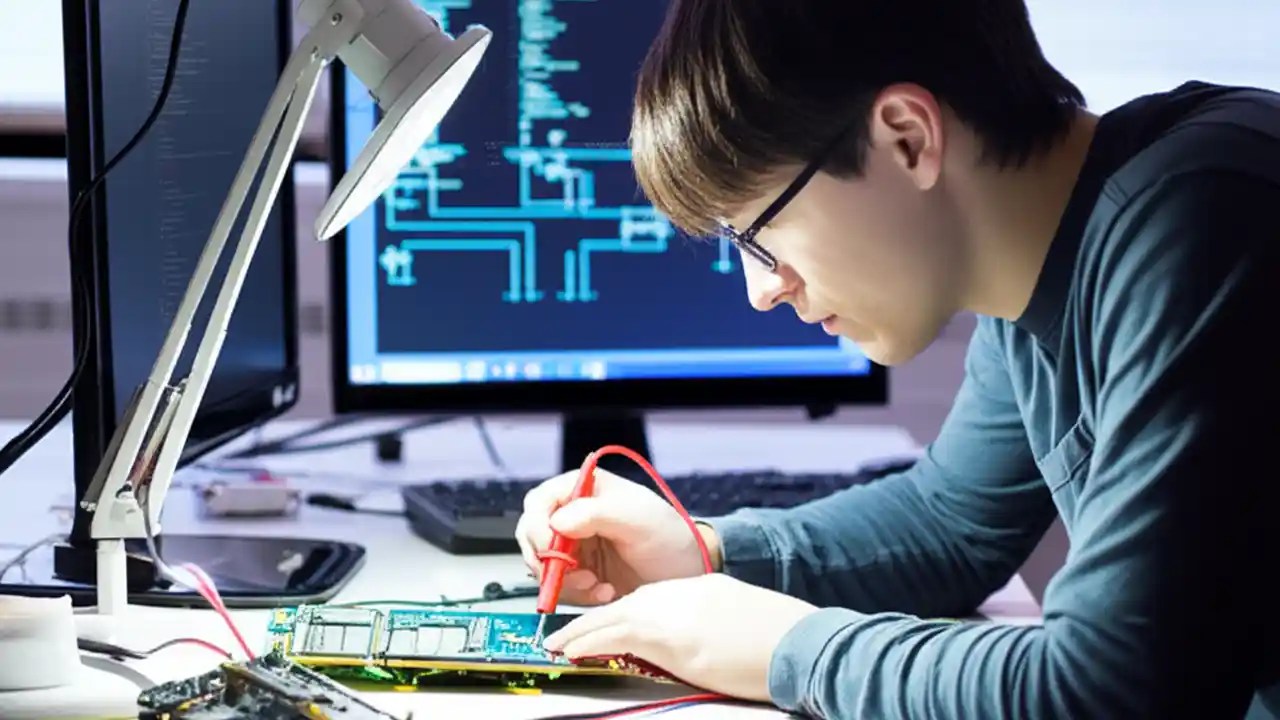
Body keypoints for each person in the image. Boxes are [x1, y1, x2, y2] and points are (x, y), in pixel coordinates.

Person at [515, 1, 1280, 717]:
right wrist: (707, 552)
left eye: (758, 234)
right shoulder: (1047, 262)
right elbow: (952, 521)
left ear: (907, 137)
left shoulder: (1207, 216)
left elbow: (1110, 689)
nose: (760, 291)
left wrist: (785, 649)